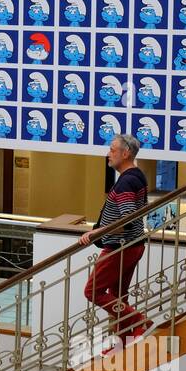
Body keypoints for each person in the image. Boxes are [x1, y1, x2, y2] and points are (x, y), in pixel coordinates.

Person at [80, 133, 152, 347]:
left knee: (92, 291)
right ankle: (122, 340)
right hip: (133, 244)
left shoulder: (126, 182)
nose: (108, 154)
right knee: (118, 294)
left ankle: (140, 321)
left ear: (125, 153)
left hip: (120, 246)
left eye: (112, 150)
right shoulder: (137, 176)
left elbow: (127, 219)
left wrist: (96, 232)